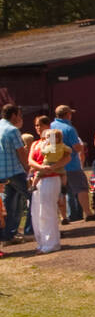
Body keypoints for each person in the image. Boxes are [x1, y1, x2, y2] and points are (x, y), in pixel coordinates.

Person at [26, 126, 68, 254]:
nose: (39, 129)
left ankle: (51, 243)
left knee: (47, 211)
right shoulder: (35, 144)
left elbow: (67, 158)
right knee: (36, 211)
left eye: (42, 125)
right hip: (38, 178)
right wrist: (40, 167)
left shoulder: (57, 144)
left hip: (51, 178)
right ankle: (42, 242)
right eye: (37, 126)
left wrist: (52, 167)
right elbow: (30, 160)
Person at [50, 105, 89, 222]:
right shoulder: (69, 128)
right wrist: (82, 146)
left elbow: (52, 148)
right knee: (81, 188)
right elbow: (77, 148)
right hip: (72, 164)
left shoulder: (51, 127)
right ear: (67, 115)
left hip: (57, 164)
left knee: (62, 191)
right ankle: (88, 213)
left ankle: (64, 216)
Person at [0, 103, 29, 245]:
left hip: (2, 173)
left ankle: (7, 236)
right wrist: (27, 169)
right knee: (34, 196)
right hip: (15, 171)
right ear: (13, 115)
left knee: (8, 204)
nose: (20, 117)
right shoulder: (13, 130)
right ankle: (30, 231)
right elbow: (21, 152)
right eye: (19, 114)